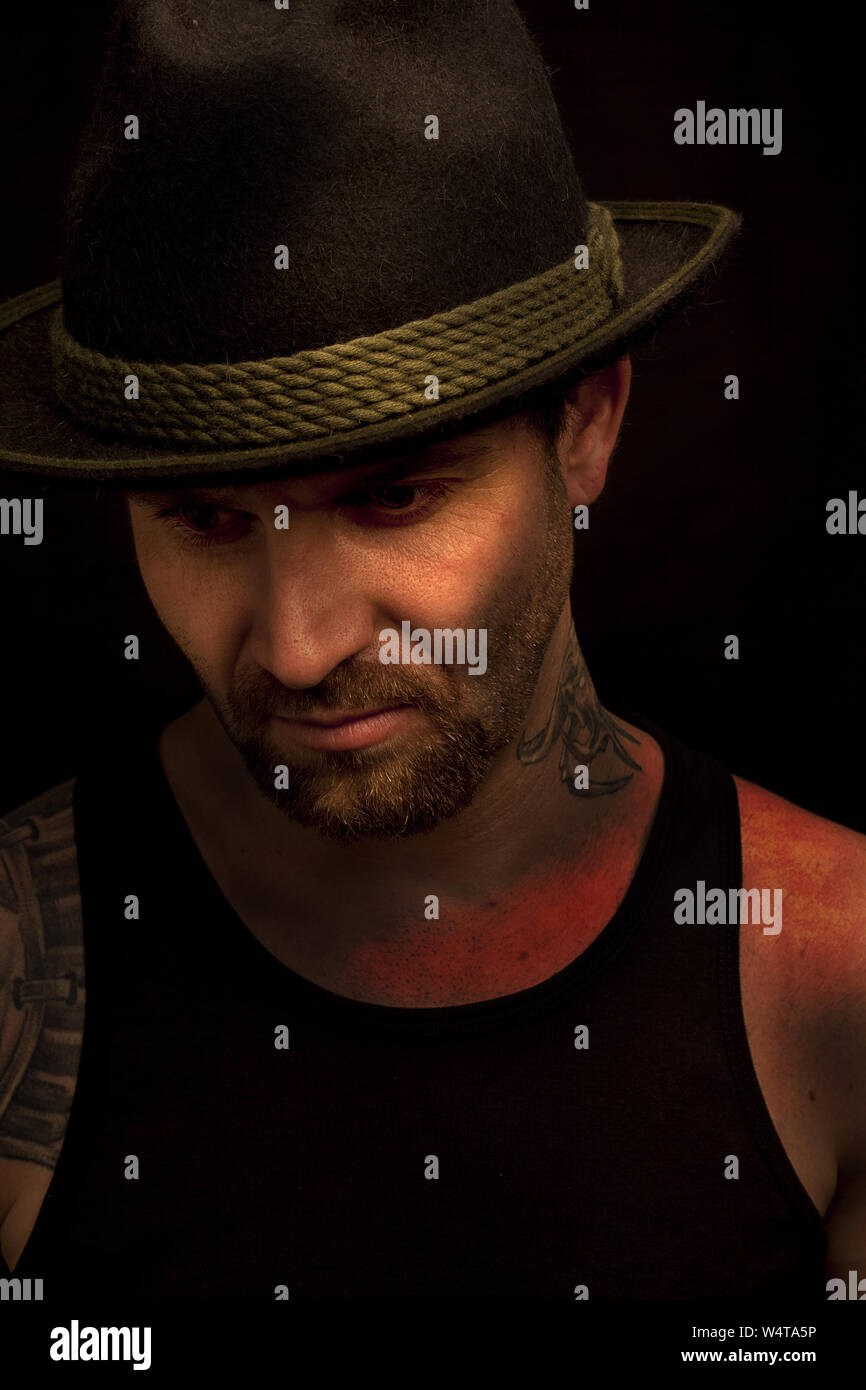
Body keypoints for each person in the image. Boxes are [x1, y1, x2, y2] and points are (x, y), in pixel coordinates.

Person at [0, 0, 863, 1301]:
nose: (295, 647)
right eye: (205, 517)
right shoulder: (19, 970)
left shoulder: (837, 977)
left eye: (391, 496)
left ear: (584, 426)